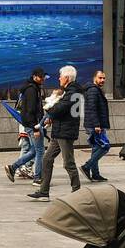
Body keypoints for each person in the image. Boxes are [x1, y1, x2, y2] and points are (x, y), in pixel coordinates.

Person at [29, 65, 82, 203]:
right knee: (47, 159)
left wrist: (49, 109)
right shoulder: (69, 91)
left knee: (68, 163)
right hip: (59, 131)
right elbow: (64, 111)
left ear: (67, 78)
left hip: (65, 132)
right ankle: (44, 192)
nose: (59, 78)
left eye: (61, 76)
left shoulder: (73, 91)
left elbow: (61, 108)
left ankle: (78, 192)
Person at [5, 68, 46, 183]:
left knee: (34, 150)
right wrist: (35, 127)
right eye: (41, 77)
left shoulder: (32, 88)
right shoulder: (32, 90)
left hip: (30, 124)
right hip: (33, 125)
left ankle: (12, 168)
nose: (43, 79)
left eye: (43, 77)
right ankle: (38, 178)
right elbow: (31, 110)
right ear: (34, 77)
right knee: (40, 151)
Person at [81, 70, 111, 182]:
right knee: (104, 146)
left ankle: (95, 174)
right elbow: (92, 108)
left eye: (103, 78)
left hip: (95, 124)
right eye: (100, 78)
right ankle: (86, 166)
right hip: (95, 125)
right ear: (95, 78)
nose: (102, 80)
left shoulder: (95, 90)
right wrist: (97, 125)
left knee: (96, 148)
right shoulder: (93, 90)